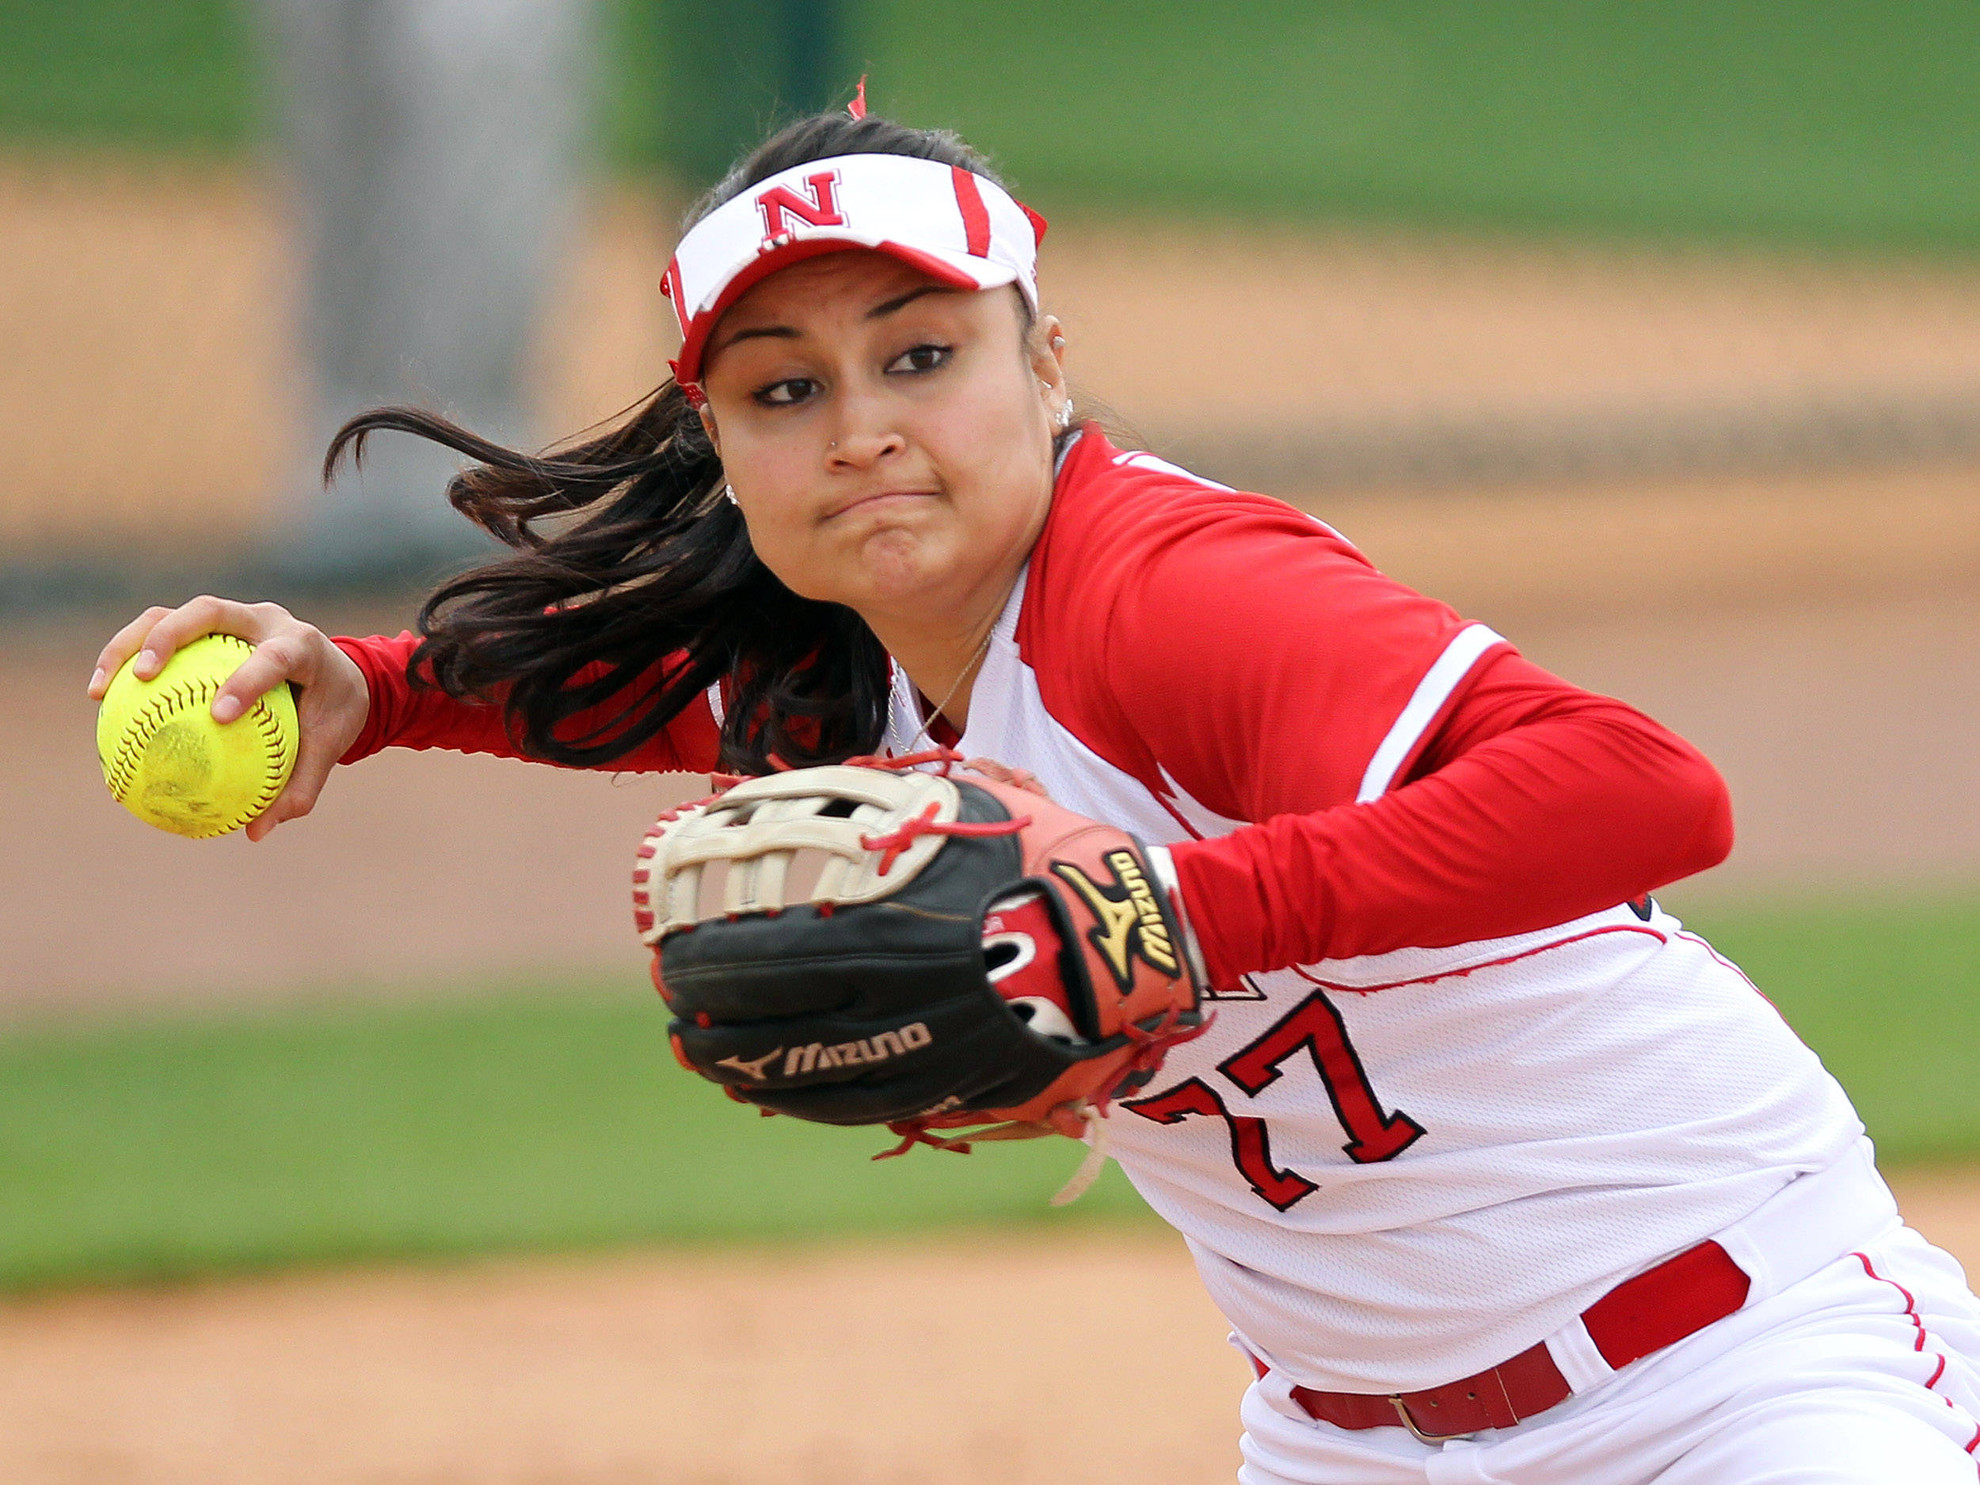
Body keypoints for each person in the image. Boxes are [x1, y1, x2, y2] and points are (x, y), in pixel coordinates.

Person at [89, 102, 1980, 1484]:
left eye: (922, 355)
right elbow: (658, 699)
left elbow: (1644, 788)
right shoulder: (843, 675)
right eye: (784, 390)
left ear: (1046, 365)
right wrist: (372, 693)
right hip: (1353, 1446)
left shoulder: (1167, 595)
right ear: (722, 443)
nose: (866, 425)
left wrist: (1190, 912)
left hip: (1740, 1371)